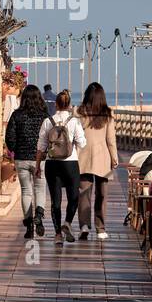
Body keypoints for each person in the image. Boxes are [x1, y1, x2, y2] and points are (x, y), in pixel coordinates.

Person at [36, 89, 87, 244]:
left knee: (55, 200)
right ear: (70, 105)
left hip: (52, 164)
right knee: (74, 198)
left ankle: (58, 234)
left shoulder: (48, 121)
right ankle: (68, 223)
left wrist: (38, 165)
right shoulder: (74, 121)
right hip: (70, 164)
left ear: (56, 104)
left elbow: (41, 146)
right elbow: (82, 143)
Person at [6, 84, 51, 239]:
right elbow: (50, 136)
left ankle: (29, 226)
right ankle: (39, 214)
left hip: (22, 158)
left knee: (26, 191)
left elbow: (9, 137)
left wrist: (15, 150)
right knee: (40, 188)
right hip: (40, 159)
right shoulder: (44, 115)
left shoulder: (16, 115)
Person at [75, 82, 118, 241]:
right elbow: (111, 140)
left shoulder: (79, 113)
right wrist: (114, 158)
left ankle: (84, 226)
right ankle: (100, 228)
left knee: (84, 194)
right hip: (103, 159)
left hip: (82, 158)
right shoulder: (108, 114)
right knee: (102, 195)